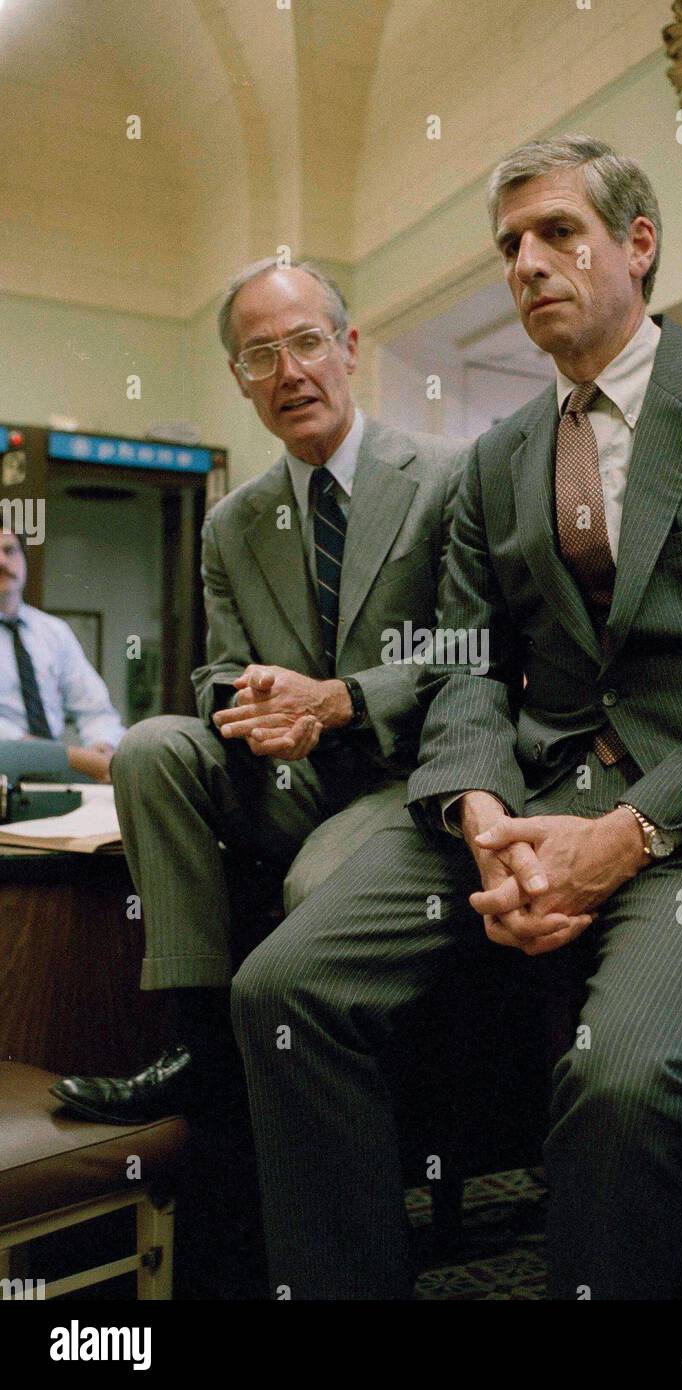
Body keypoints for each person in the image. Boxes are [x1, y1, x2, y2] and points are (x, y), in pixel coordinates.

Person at [231, 136, 682, 1300]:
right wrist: (478, 809)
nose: (527, 264)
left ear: (637, 243)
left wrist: (626, 834)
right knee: (283, 991)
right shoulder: (497, 459)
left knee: (618, 1083)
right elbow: (470, 663)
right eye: (510, 246)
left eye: (558, 233)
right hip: (527, 805)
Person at [51, 257, 468, 1125]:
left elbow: (479, 655)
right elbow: (215, 675)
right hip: (286, 777)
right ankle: (196, 1042)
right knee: (152, 745)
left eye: (307, 342)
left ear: (348, 348)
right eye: (260, 356)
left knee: (314, 888)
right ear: (239, 382)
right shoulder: (231, 524)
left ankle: (364, 1099)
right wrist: (250, 700)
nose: (289, 372)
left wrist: (340, 698)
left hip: (409, 778)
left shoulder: (448, 476)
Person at [0, 528, 124, 784]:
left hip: (59, 777)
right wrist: (77, 759)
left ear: (24, 559)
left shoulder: (54, 632)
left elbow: (94, 708)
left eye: (9, 550)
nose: (2, 561)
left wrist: (102, 745)